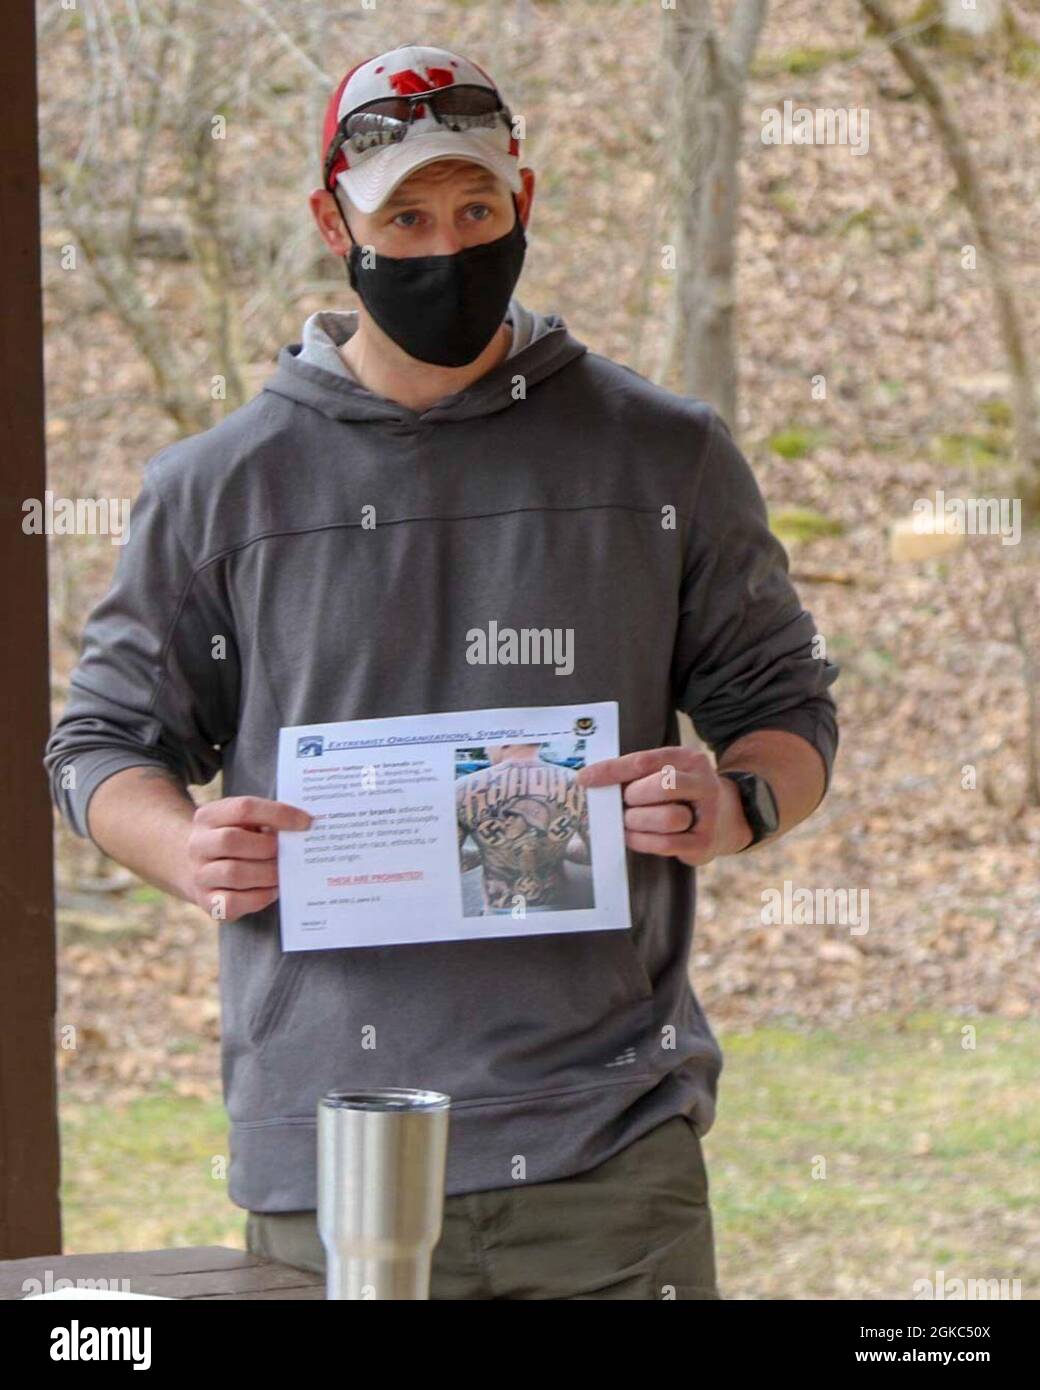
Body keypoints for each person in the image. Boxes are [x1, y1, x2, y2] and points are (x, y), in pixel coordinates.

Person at [44, 42, 839, 1299]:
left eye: (476, 209)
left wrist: (735, 803)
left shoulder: (664, 459)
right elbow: (99, 747)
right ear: (331, 222)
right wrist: (181, 845)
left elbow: (785, 711)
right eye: (404, 217)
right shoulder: (217, 488)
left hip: (606, 1149)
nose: (447, 245)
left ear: (523, 200)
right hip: (331, 1149)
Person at [456, 743, 593, 914]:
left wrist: (489, 852)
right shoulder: (579, 784)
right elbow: (596, 855)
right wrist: (557, 849)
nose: (485, 750)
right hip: (562, 911)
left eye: (512, 816)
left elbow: (450, 864)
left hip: (501, 912)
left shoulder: (460, 788)